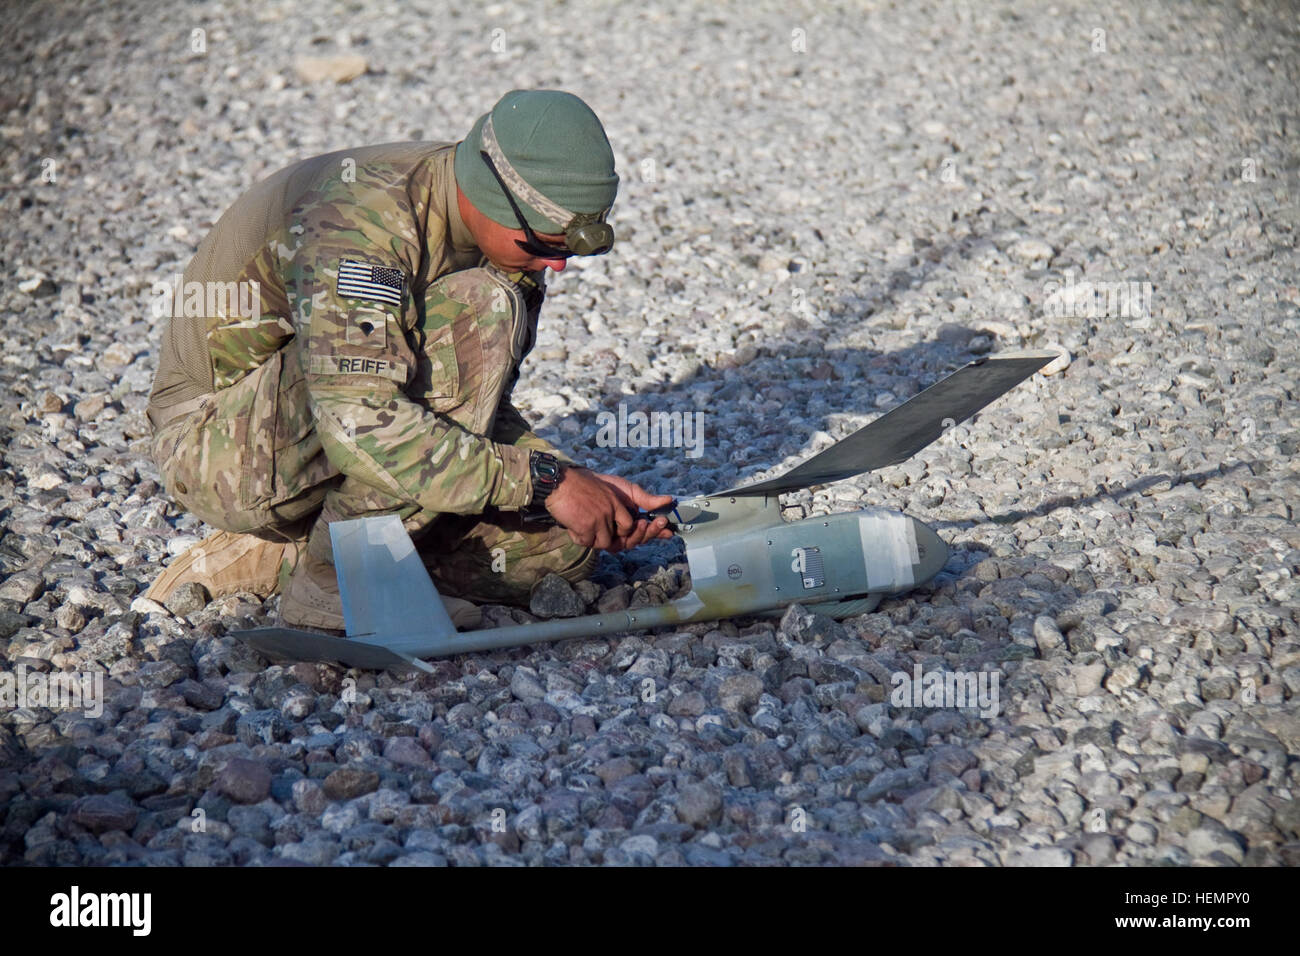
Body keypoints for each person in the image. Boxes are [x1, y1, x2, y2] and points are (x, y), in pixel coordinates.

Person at [145, 89, 673, 632]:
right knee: (483, 311)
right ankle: (333, 582)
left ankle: (291, 549)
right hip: (218, 448)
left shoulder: (505, 232)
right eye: (545, 242)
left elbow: (471, 401)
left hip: (324, 431)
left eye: (571, 249)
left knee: (564, 550)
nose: (556, 265)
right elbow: (360, 420)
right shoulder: (363, 220)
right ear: (492, 196)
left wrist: (572, 480)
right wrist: (545, 482)